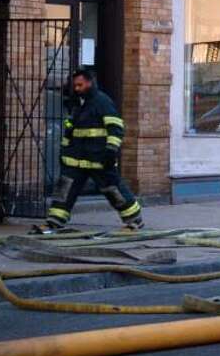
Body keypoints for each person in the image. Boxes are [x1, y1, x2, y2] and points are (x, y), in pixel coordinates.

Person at [33, 68, 143, 233]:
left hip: (98, 158)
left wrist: (111, 151)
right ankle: (54, 221)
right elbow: (71, 128)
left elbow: (116, 127)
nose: (76, 88)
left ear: (90, 83)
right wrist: (65, 150)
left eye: (80, 85)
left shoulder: (102, 102)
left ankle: (134, 221)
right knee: (64, 190)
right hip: (75, 159)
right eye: (75, 85)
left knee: (113, 190)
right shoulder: (79, 104)